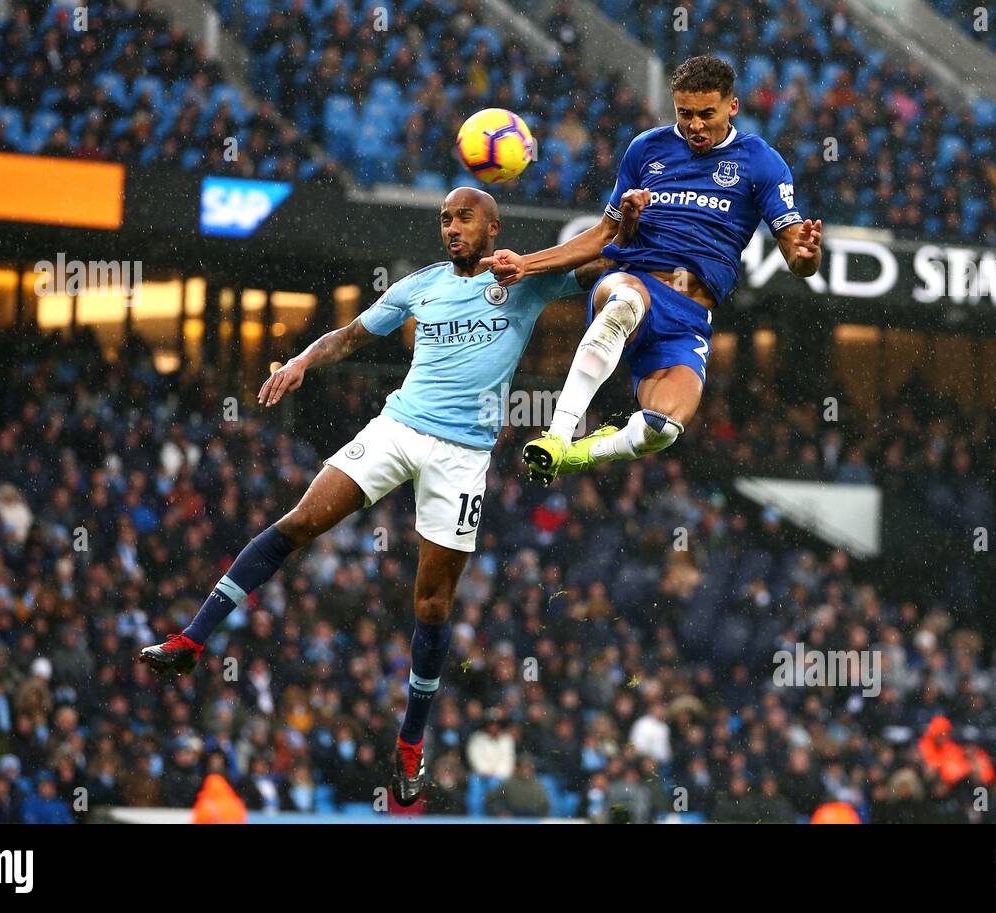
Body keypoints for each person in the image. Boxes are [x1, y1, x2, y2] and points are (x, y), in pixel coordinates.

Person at [140, 187, 634, 806]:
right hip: (397, 429)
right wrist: (299, 361)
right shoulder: (419, 285)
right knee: (298, 523)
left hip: (462, 459)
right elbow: (348, 336)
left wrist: (627, 223)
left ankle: (410, 743)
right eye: (446, 220)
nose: (452, 228)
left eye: (465, 219)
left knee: (431, 604)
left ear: (492, 226)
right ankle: (190, 640)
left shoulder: (524, 279)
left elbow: (601, 263)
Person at [480, 55, 822, 484]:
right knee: (622, 302)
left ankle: (576, 456)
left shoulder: (761, 163)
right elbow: (603, 234)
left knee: (662, 429)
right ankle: (557, 434)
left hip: (688, 319)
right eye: (685, 114)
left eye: (706, 114)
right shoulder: (647, 148)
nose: (694, 125)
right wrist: (526, 264)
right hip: (637, 280)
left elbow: (798, 258)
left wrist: (807, 256)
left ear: (732, 107)